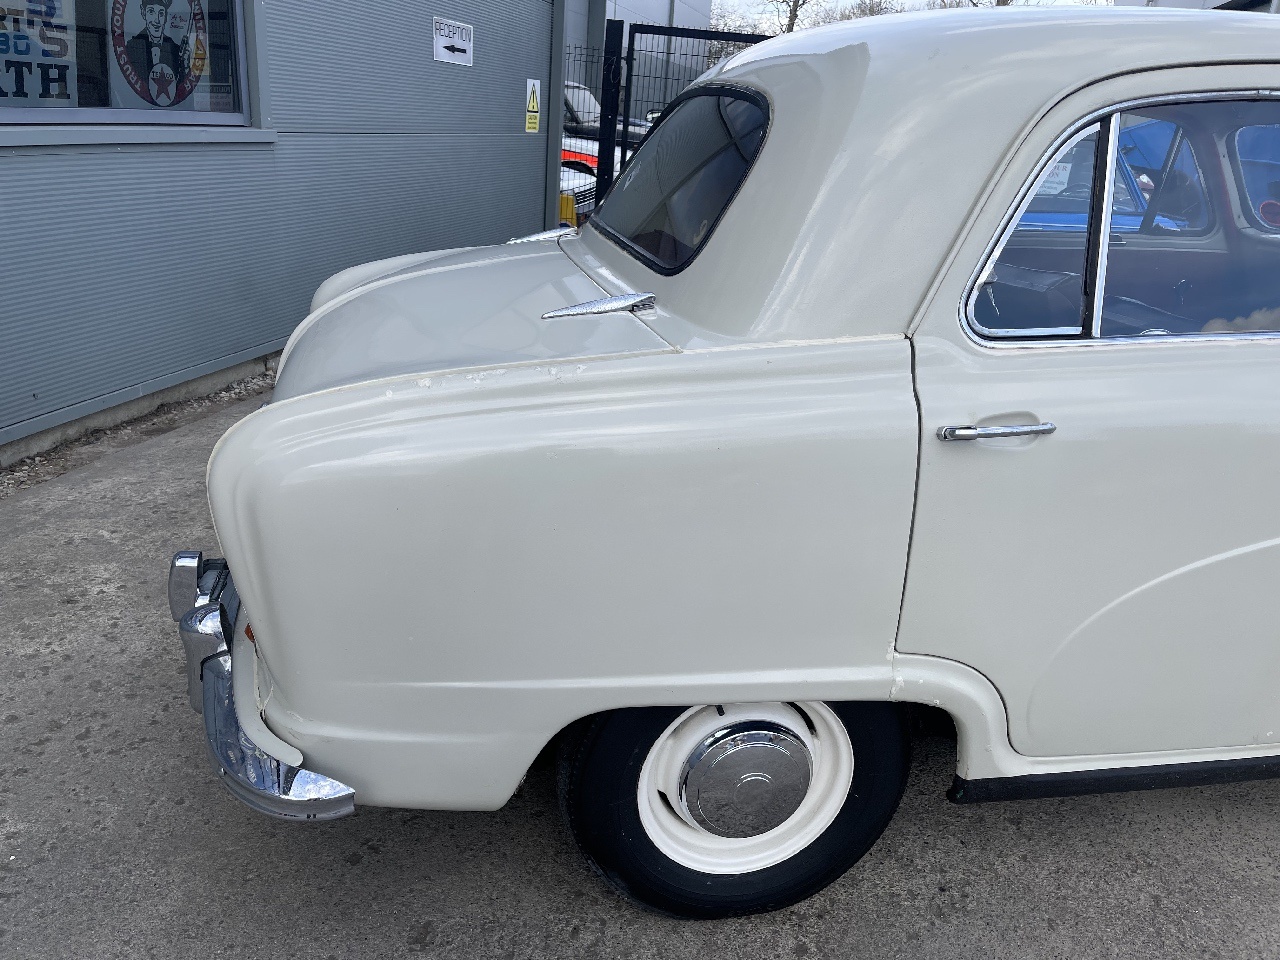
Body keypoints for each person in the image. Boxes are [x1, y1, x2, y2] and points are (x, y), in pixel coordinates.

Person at [124, 0, 189, 103]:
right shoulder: (131, 48)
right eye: (151, 12)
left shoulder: (176, 51)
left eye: (161, 13)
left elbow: (183, 97)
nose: (157, 20)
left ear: (166, 16)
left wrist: (185, 67)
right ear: (143, 12)